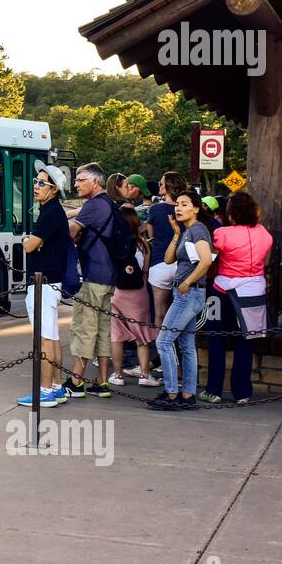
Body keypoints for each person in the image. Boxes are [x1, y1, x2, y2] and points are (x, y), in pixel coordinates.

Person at [201, 192, 273, 404]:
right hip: (253, 291)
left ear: (231, 213)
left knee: (216, 339)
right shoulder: (264, 233)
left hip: (222, 291)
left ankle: (213, 390)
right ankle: (242, 392)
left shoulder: (222, 233)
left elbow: (210, 257)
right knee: (245, 342)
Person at [147, 190, 215, 410]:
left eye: (184, 204)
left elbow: (205, 261)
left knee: (164, 341)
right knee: (186, 345)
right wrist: (176, 234)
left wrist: (187, 282)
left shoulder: (199, 230)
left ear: (195, 208)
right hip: (185, 292)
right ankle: (187, 394)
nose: (178, 208)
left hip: (189, 292)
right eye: (177, 204)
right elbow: (168, 260)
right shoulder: (186, 232)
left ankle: (172, 392)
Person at [16, 163, 72, 407]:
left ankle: (46, 391)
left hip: (45, 283)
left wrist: (27, 239)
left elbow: (29, 245)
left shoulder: (49, 213)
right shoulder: (52, 211)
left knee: (45, 338)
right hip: (50, 281)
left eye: (42, 183)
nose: (36, 186)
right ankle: (57, 387)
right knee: (52, 336)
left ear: (53, 190)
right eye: (35, 181)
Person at [66, 163, 115, 398]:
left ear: (95, 182)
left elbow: (72, 232)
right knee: (103, 330)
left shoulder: (94, 205)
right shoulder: (109, 204)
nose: (76, 183)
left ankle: (76, 381)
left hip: (92, 275)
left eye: (80, 180)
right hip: (109, 276)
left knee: (85, 328)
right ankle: (102, 381)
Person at [108, 206, 158, 386]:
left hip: (117, 291)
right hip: (139, 292)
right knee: (142, 335)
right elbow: (145, 271)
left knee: (116, 334)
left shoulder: (114, 243)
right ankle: (145, 374)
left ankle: (118, 375)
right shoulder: (143, 244)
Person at [145, 172, 188, 363]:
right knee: (178, 313)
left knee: (160, 312)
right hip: (181, 264)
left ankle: (162, 358)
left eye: (161, 183)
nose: (159, 186)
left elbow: (150, 235)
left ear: (168, 187)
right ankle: (177, 354)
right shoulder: (184, 211)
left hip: (160, 262)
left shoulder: (155, 209)